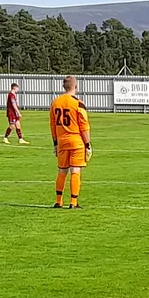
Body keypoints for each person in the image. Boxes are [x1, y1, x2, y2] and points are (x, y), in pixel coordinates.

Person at [50, 76, 92, 209]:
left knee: (62, 171)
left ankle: (58, 201)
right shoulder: (78, 103)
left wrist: (55, 143)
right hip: (76, 141)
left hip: (62, 141)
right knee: (75, 170)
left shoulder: (55, 102)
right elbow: (84, 126)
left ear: (64, 87)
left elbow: (52, 125)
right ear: (76, 86)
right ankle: (73, 202)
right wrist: (88, 145)